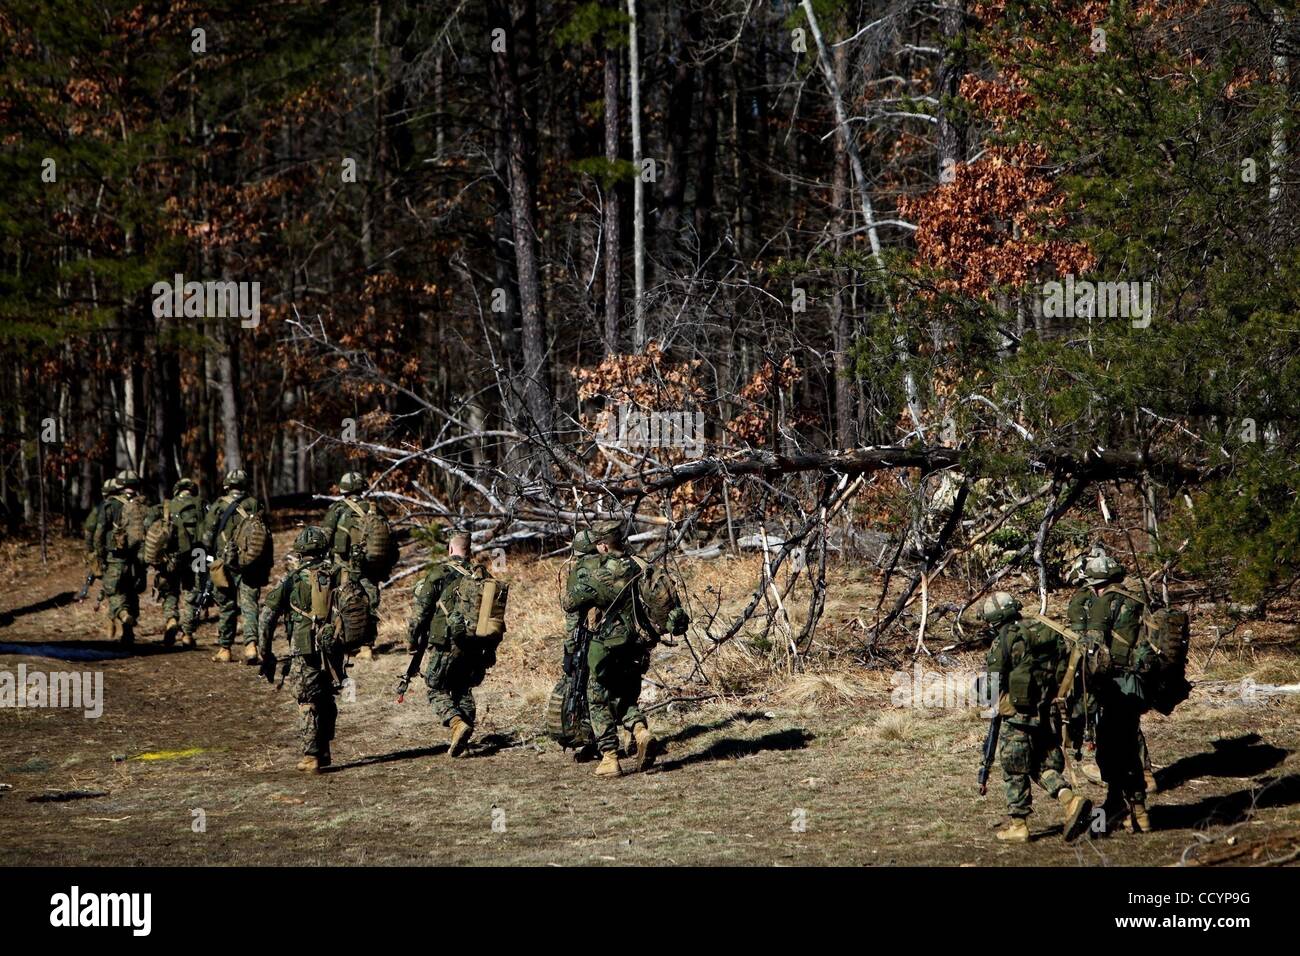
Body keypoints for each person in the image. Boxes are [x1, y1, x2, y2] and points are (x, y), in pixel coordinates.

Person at [981, 591, 1092, 843]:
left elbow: (992, 685)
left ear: (995, 620)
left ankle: (1018, 825)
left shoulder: (1005, 640)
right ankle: (1070, 800)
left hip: (1019, 716)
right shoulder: (1047, 628)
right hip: (1051, 712)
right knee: (1041, 764)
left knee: (1014, 768)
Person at [560, 520, 658, 778]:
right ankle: (639, 730)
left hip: (606, 646)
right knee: (625, 697)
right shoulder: (639, 565)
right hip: (637, 645)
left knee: (598, 698)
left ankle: (610, 757)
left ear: (602, 545)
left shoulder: (595, 573)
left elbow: (569, 604)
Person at [257, 527, 352, 773]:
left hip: (304, 646)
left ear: (299, 553)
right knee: (327, 696)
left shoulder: (291, 579)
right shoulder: (340, 574)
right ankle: (324, 749)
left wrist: (264, 651)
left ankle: (311, 757)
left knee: (307, 700)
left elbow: (267, 616)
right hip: (334, 646)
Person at [1067, 553, 1151, 832]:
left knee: (1113, 748)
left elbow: (1091, 647)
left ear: (1096, 584)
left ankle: (1131, 811)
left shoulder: (1104, 603)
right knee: (1128, 742)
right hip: (1138, 684)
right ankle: (1131, 806)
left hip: (1113, 686)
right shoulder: (1140, 600)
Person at [405, 531, 501, 756]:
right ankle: (463, 743)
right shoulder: (483, 575)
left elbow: (420, 613)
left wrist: (411, 639)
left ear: (450, 549)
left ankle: (457, 723)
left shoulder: (438, 574)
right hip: (475, 644)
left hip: (446, 643)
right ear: (471, 551)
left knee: (435, 687)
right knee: (461, 688)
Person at [200, 469, 264, 663]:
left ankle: (225, 648)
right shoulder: (254, 504)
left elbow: (207, 537)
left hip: (225, 565)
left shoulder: (218, 506)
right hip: (250, 564)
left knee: (227, 606)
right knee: (249, 606)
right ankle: (251, 647)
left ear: (227, 485)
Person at [321, 471, 383, 660]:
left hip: (344, 566)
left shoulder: (337, 509)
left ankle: (346, 642)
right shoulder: (374, 510)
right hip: (369, 566)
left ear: (343, 489)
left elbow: (325, 537)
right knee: (370, 602)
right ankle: (367, 646)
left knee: (344, 602)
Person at [93, 470, 148, 643]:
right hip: (138, 559)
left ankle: (123, 615)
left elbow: (98, 534)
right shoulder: (144, 506)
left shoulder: (110, 505)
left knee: (115, 592)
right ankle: (128, 634)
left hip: (115, 558)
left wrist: (100, 556)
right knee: (131, 594)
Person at [151, 478, 206, 647]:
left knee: (170, 591)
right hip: (198, 553)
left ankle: (171, 620)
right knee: (193, 593)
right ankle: (188, 634)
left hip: (171, 555)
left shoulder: (167, 506)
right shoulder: (201, 504)